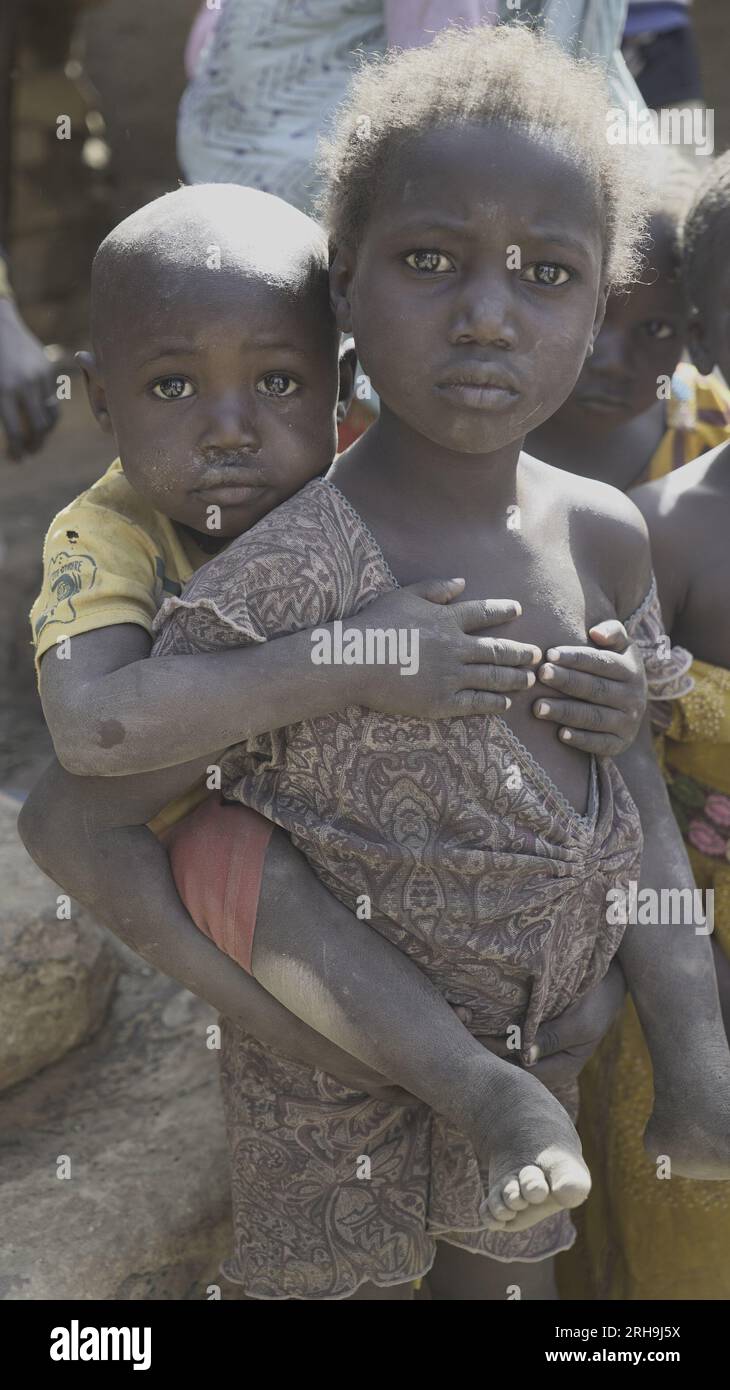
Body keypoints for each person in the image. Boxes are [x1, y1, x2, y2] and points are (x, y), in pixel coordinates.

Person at [141, 25, 729, 1299]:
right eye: (427, 261)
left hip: (550, 1050)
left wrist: (664, 1028)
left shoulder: (605, 533)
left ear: (599, 297)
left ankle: (700, 1082)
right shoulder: (289, 561)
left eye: (546, 275)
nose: (484, 314)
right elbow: (129, 807)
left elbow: (630, 811)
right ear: (342, 283)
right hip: (335, 1085)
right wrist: (254, 1005)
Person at [20, 177, 646, 1298]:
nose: (231, 428)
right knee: (219, 845)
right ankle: (434, 1072)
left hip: (394, 857)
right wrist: (350, 661)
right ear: (101, 402)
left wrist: (604, 686)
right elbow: (96, 732)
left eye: (277, 381)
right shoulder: (102, 532)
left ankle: (489, 1066)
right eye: (172, 386)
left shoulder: (373, 480)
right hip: (224, 860)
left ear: (338, 384)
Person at [561, 150, 730, 1301]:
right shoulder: (659, 535)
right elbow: (624, 781)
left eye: (650, 330)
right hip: (691, 952)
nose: (618, 361)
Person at [527, 153, 730, 491]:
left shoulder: (710, 426)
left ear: (695, 336)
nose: (613, 363)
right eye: (595, 316)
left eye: (656, 330)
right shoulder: (467, 426)